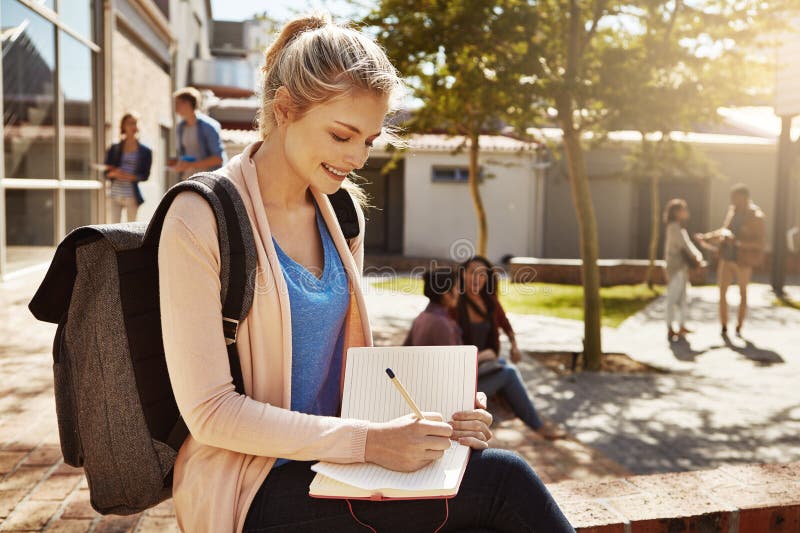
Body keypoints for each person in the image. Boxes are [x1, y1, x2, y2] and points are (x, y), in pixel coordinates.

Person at [158, 13, 574, 533]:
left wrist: (441, 409)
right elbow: (211, 412)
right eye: (341, 135)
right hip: (250, 487)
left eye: (370, 140)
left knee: (486, 477)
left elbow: (350, 376)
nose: (356, 158)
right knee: (504, 483)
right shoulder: (201, 217)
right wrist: (370, 442)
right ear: (284, 108)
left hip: (341, 465)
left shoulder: (341, 212)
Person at [455, 256, 566, 440]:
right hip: (465, 377)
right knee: (509, 373)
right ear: (463, 274)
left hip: (484, 367)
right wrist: (482, 356)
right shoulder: (455, 305)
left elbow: (506, 325)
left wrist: (514, 346)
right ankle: (537, 427)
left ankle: (529, 420)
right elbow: (453, 354)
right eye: (472, 272)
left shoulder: (489, 301)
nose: (477, 278)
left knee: (505, 366)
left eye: (482, 274)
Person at [695, 184, 766, 336]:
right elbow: (724, 231)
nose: (733, 201)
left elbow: (759, 244)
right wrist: (706, 237)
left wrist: (738, 243)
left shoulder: (756, 216)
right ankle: (724, 325)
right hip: (726, 258)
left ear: (745, 198)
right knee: (722, 291)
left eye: (736, 198)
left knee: (742, 292)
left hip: (743, 261)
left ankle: (739, 326)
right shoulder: (732, 211)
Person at [663, 199, 704, 341]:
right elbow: (685, 246)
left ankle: (681, 325)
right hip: (675, 267)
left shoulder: (679, 227)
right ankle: (669, 327)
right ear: (676, 212)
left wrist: (698, 257)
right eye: (683, 209)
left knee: (682, 298)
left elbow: (688, 246)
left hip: (682, 267)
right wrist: (697, 258)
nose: (686, 212)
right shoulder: (673, 227)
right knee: (673, 298)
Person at [103, 112, 152, 222]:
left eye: (135, 123)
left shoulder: (145, 151)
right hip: (115, 194)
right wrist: (114, 173)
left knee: (131, 230)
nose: (133, 126)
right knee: (113, 230)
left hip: (132, 196)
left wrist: (127, 176)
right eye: (130, 123)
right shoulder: (114, 148)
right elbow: (106, 173)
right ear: (123, 126)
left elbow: (145, 176)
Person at [171, 86, 226, 181]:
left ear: (187, 103)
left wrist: (191, 165)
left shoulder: (209, 126)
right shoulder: (180, 127)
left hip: (208, 180)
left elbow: (218, 158)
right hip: (188, 178)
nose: (175, 107)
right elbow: (184, 155)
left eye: (178, 103)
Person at [403, 268, 462, 346]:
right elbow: (453, 357)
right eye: (457, 288)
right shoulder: (442, 325)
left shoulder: (421, 317)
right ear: (446, 294)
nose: (459, 293)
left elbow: (405, 348)